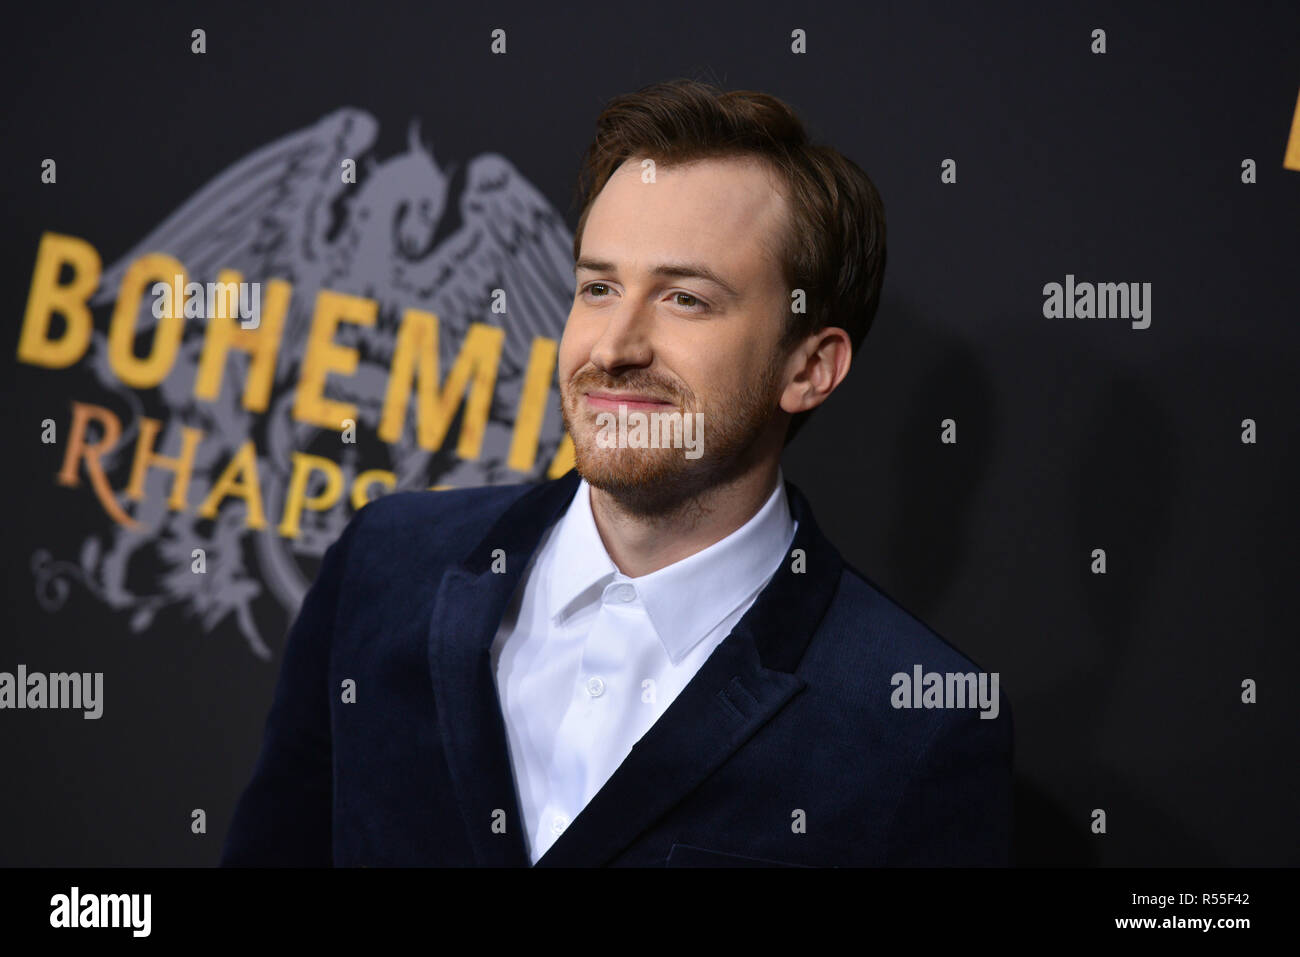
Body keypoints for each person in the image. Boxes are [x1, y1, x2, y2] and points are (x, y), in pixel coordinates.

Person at [221, 78, 1011, 867]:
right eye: (598, 287)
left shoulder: (912, 721)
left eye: (686, 299)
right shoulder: (384, 566)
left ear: (809, 368)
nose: (614, 346)